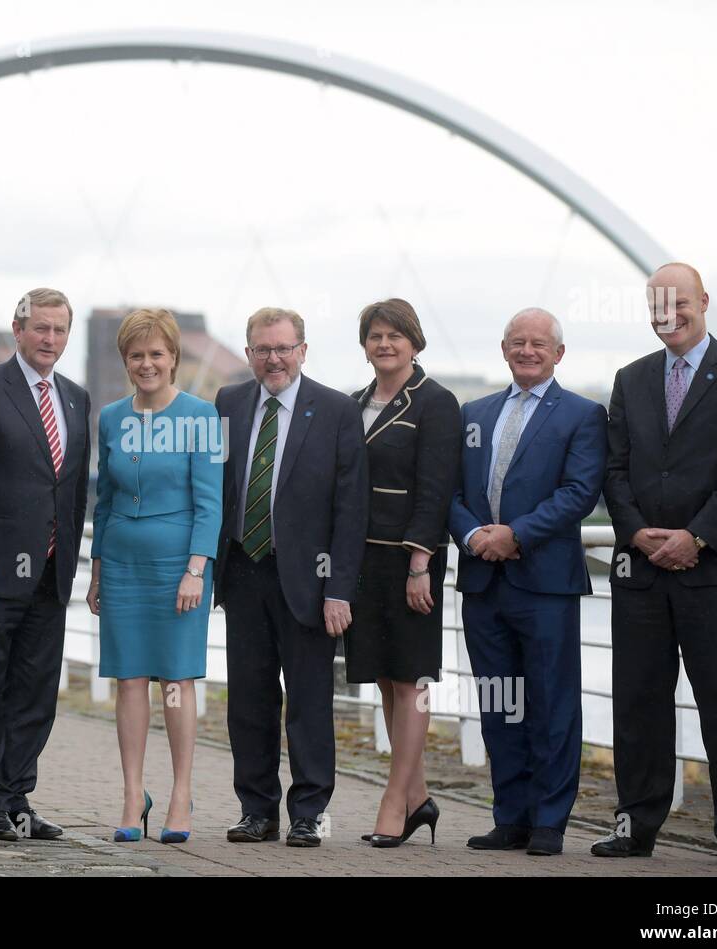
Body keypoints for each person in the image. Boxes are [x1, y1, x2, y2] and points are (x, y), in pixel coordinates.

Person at [593, 263, 717, 868]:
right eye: (655, 303)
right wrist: (636, 533)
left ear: (703, 301)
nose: (666, 313)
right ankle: (635, 824)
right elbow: (615, 469)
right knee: (638, 703)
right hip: (641, 570)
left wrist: (697, 536)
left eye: (678, 302)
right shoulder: (630, 378)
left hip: (714, 570)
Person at [447, 307, 607, 857]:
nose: (527, 350)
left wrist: (515, 534)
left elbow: (579, 493)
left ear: (558, 353)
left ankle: (549, 821)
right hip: (482, 581)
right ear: (503, 349)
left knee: (551, 703)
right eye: (517, 342)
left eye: (539, 343)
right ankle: (509, 815)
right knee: (500, 702)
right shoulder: (475, 413)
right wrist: (473, 538)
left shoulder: (583, 415)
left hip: (544, 583)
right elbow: (449, 492)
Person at [214, 307, 369, 848]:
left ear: (303, 350)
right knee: (249, 702)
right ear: (249, 350)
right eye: (263, 349)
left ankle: (308, 813)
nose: (273, 358)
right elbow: (219, 492)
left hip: (309, 580)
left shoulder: (336, 410)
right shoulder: (228, 404)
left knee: (309, 703)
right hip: (243, 572)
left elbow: (352, 510)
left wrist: (340, 590)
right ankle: (256, 810)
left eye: (283, 348)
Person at [0, 287, 90, 841]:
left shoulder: (78, 399)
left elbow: (75, 488)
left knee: (35, 691)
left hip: (52, 576)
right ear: (18, 329)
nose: (50, 340)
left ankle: (17, 797)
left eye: (59, 330)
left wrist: (76, 572)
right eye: (41, 329)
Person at [86, 309, 223, 843]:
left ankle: (181, 793)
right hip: (121, 564)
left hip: (178, 568)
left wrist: (196, 570)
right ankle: (131, 794)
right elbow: (106, 500)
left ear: (174, 359)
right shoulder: (112, 417)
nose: (147, 363)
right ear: (126, 361)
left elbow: (210, 505)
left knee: (176, 679)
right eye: (136, 355)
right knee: (129, 680)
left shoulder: (204, 417)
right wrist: (97, 570)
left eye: (156, 354)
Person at [347, 299, 460, 847]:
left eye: (395, 335)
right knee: (387, 677)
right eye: (375, 336)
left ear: (414, 342)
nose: (384, 344)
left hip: (409, 560)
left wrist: (421, 563)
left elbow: (436, 489)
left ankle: (395, 800)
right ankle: (418, 797)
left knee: (412, 675)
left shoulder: (436, 403)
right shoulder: (354, 404)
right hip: (363, 559)